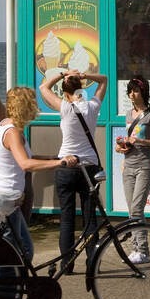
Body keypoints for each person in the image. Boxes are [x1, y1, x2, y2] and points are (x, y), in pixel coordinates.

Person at [0, 87, 76, 299]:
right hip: (6, 201)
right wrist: (58, 162)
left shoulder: (6, 125)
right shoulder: (13, 132)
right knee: (15, 258)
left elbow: (19, 159)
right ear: (26, 106)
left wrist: (55, 157)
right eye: (32, 103)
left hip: (7, 200)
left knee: (20, 255)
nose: (36, 108)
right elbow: (24, 163)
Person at [39, 69, 108, 274]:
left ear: (65, 93)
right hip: (89, 167)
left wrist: (62, 73)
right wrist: (85, 76)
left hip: (66, 166)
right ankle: (92, 263)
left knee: (67, 218)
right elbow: (104, 80)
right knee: (90, 218)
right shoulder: (92, 107)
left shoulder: (65, 108)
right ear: (81, 88)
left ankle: (67, 264)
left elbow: (43, 87)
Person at [117, 76, 150, 262]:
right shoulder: (128, 115)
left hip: (145, 165)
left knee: (137, 209)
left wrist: (141, 141)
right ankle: (135, 249)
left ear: (143, 92)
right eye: (129, 91)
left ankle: (143, 251)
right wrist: (120, 146)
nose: (131, 94)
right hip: (128, 165)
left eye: (135, 91)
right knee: (132, 211)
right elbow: (127, 140)